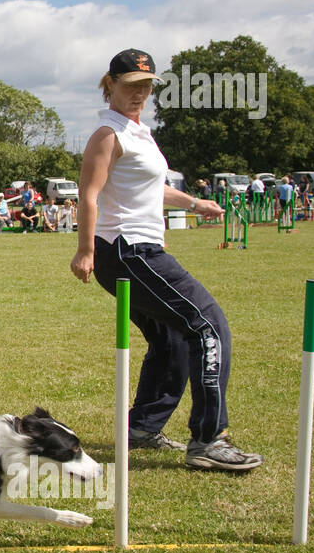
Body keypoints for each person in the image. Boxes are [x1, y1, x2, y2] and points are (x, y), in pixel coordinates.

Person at [71, 48, 261, 471]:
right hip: (126, 250)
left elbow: (149, 190)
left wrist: (195, 203)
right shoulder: (108, 134)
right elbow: (88, 193)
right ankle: (210, 439)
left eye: (146, 86)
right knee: (209, 325)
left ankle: (141, 427)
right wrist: (84, 249)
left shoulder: (141, 132)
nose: (139, 94)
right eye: (130, 86)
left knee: (173, 338)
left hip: (141, 248)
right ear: (111, 85)